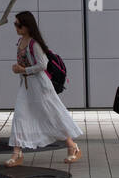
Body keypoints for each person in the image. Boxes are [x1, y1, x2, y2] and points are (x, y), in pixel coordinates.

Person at [7, 10, 81, 166]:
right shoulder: (20, 42)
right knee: (20, 116)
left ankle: (72, 146)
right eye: (15, 24)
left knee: (52, 115)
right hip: (26, 86)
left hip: (40, 86)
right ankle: (16, 153)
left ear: (27, 26)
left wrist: (23, 70)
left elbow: (43, 65)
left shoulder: (35, 44)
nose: (16, 28)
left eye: (18, 25)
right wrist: (19, 69)